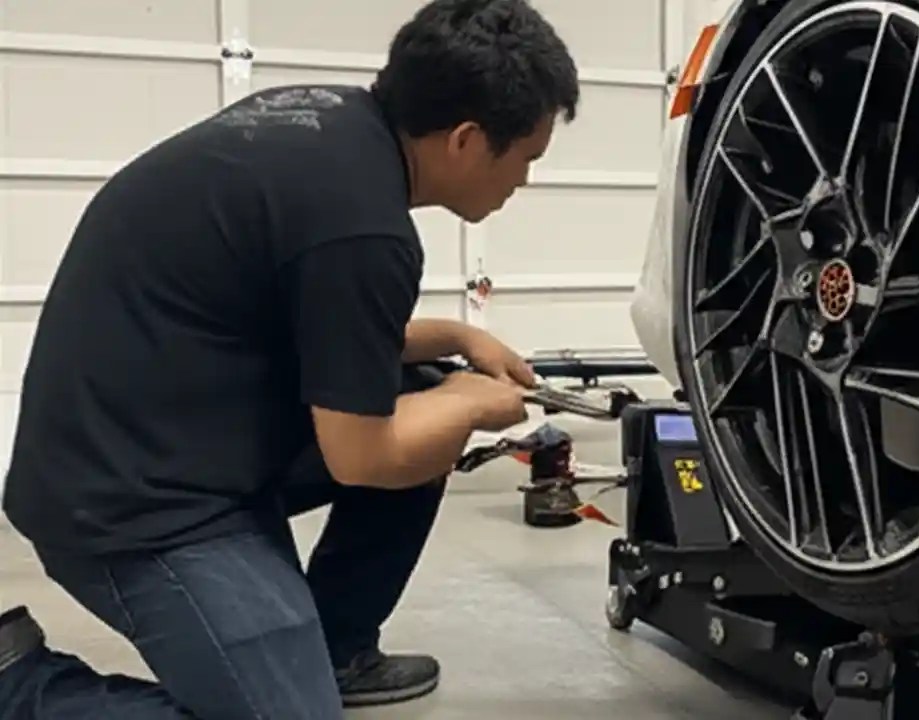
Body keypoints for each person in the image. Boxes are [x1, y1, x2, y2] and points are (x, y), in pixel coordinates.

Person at [0, 0, 579, 717]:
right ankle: (20, 684)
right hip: (133, 501)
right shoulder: (367, 230)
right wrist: (468, 403)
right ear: (465, 140)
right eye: (526, 158)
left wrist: (459, 341)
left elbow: (321, 325)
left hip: (162, 427)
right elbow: (362, 457)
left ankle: (336, 649)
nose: (523, 182)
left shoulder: (329, 124)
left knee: (420, 388)